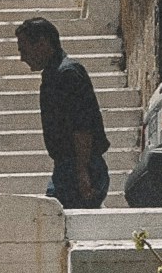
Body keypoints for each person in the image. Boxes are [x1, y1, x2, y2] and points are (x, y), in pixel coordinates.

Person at [16, 16, 108, 210]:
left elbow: (82, 125)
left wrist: (82, 171)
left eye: (24, 50)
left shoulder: (67, 74)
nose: (22, 57)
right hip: (67, 167)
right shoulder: (53, 75)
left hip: (79, 167)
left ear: (42, 44)